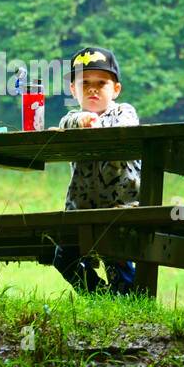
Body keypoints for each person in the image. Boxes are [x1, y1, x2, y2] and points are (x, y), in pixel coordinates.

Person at [52, 46, 141, 295]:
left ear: (116, 89)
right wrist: (82, 121)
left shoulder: (124, 112)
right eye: (84, 83)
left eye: (101, 83)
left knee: (117, 260)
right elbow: (65, 124)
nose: (92, 89)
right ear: (73, 90)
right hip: (80, 210)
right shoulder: (72, 119)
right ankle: (98, 296)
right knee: (63, 258)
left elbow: (124, 132)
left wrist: (96, 123)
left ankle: (129, 299)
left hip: (120, 208)